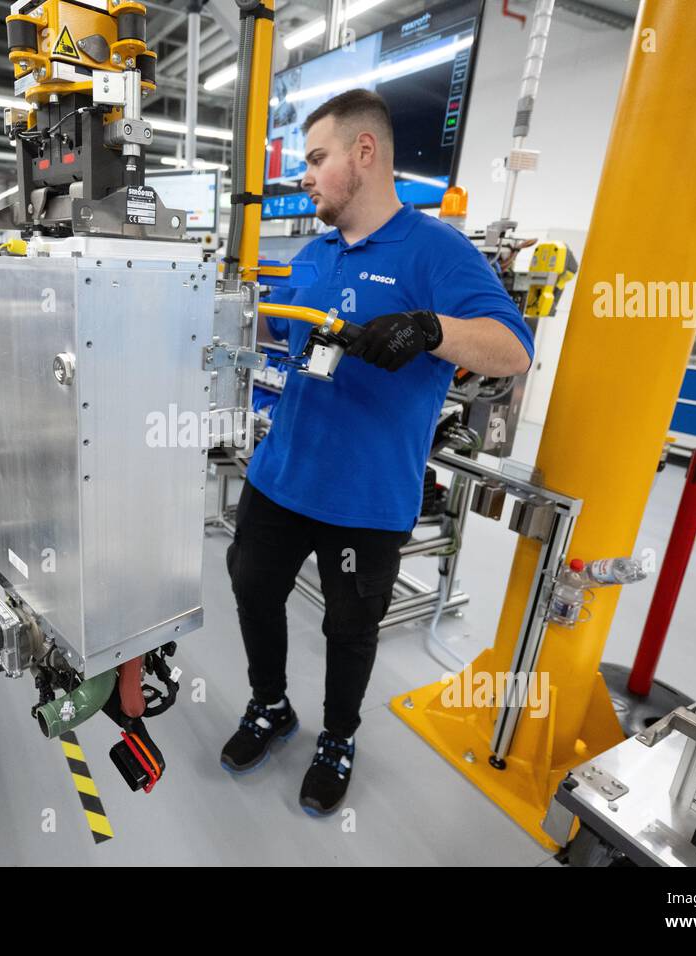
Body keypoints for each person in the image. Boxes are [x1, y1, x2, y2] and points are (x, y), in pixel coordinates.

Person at [221, 88, 534, 816]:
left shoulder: (435, 251)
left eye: (317, 159)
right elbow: (283, 339)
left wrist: (430, 329)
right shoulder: (316, 251)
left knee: (349, 625)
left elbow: (514, 349)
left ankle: (338, 737)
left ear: (364, 154)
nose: (306, 176)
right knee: (253, 587)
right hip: (282, 476)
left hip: (365, 500)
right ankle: (270, 705)